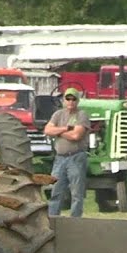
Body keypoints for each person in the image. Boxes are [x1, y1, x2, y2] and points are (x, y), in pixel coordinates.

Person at [43, 87, 91, 217]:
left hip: (76, 158)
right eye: (68, 99)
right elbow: (47, 130)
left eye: (73, 99)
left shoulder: (82, 115)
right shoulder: (58, 114)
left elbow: (76, 136)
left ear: (77, 101)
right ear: (63, 100)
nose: (70, 101)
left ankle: (75, 219)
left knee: (76, 192)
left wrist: (58, 132)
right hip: (60, 158)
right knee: (55, 189)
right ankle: (53, 218)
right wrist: (65, 129)